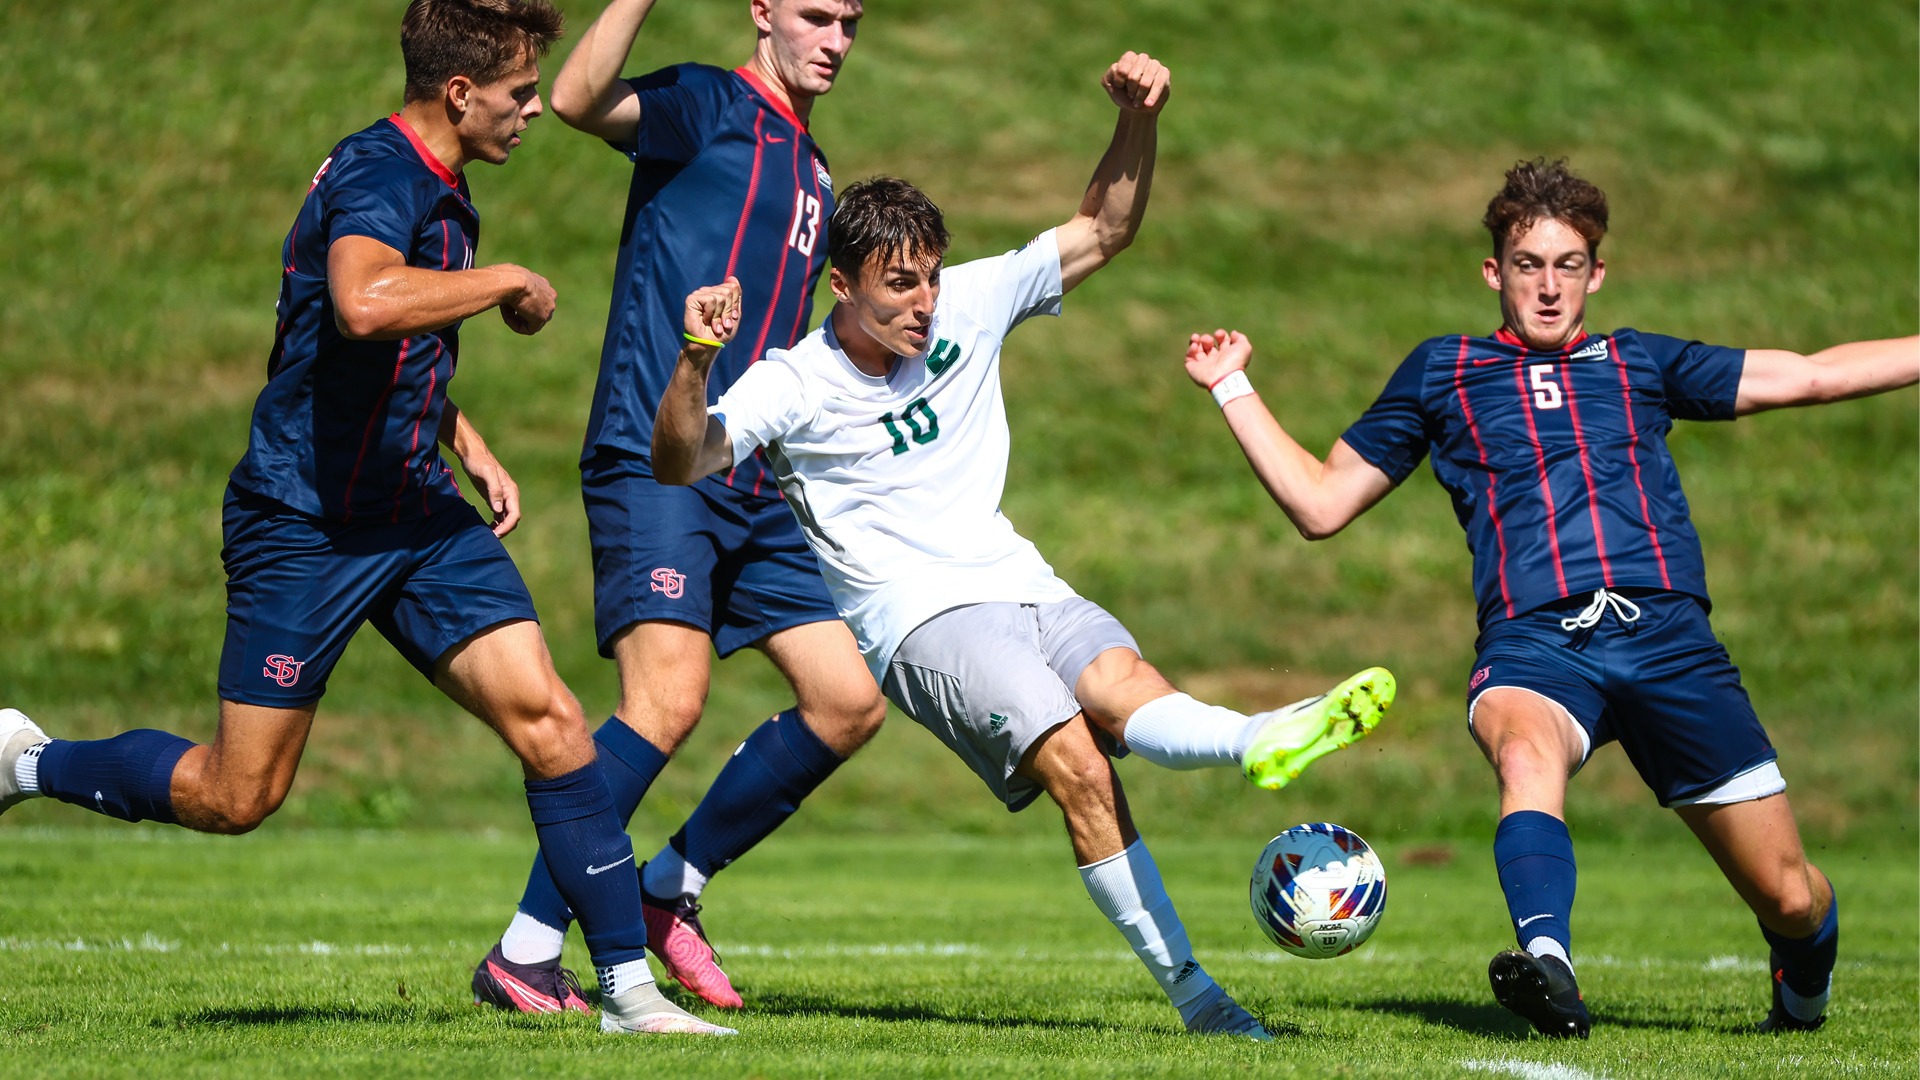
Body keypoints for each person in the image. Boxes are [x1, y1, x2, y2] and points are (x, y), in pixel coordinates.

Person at [0, 0, 732, 1037]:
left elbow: (374, 348)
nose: (534, 112)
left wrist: (461, 438)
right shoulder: (380, 173)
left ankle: (625, 993)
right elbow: (363, 303)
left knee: (555, 723)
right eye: (522, 94)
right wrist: (506, 281)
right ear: (460, 94)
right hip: (304, 524)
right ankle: (27, 761)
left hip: (415, 514)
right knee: (237, 793)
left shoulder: (443, 178)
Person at [652, 53, 1397, 1039]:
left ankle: (1257, 736)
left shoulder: (969, 298)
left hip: (1018, 577)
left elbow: (1107, 227)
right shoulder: (796, 381)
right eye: (897, 286)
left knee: (1133, 692)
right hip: (921, 622)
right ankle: (1201, 1001)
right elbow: (681, 460)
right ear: (841, 283)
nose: (922, 303)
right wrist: (698, 359)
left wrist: (1139, 118)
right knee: (1082, 770)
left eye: (927, 279)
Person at [1177, 158, 1919, 1038]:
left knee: (1789, 894)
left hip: (1668, 638)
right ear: (1494, 272)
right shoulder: (1441, 372)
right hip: (1535, 643)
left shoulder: (1639, 360)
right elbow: (1320, 502)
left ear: (1597, 273)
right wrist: (1233, 385)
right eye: (1528, 264)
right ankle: (1548, 964)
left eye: (1569, 265)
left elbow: (1811, 375)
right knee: (1525, 755)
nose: (1549, 285)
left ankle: (1802, 989)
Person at [469, 0, 883, 1014]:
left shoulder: (815, 166)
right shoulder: (703, 102)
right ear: (762, 13)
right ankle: (525, 949)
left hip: (752, 473)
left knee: (848, 702)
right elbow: (572, 98)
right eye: (816, 16)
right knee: (665, 701)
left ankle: (671, 886)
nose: (835, 37)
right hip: (658, 458)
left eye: (851, 22)